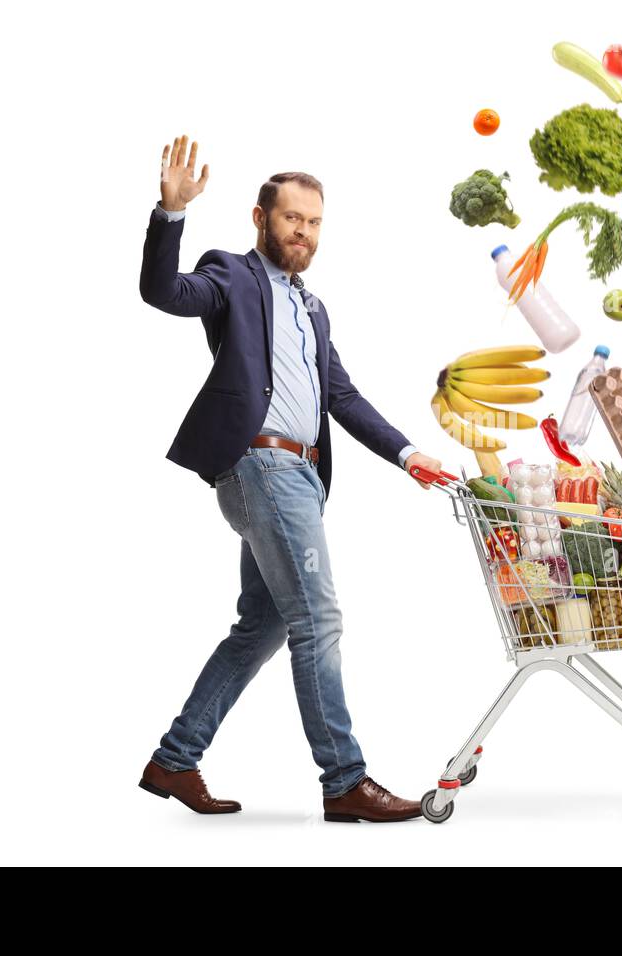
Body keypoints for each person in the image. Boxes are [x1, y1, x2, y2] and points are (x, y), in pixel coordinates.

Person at [136, 135, 443, 823]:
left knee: (265, 624)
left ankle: (175, 760)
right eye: (291, 219)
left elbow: (344, 396)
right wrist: (170, 214)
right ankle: (345, 779)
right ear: (260, 219)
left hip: (301, 475)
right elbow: (163, 291)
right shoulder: (232, 278)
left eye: (313, 222)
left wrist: (407, 453)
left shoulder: (312, 309)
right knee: (319, 619)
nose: (302, 232)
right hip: (261, 463)